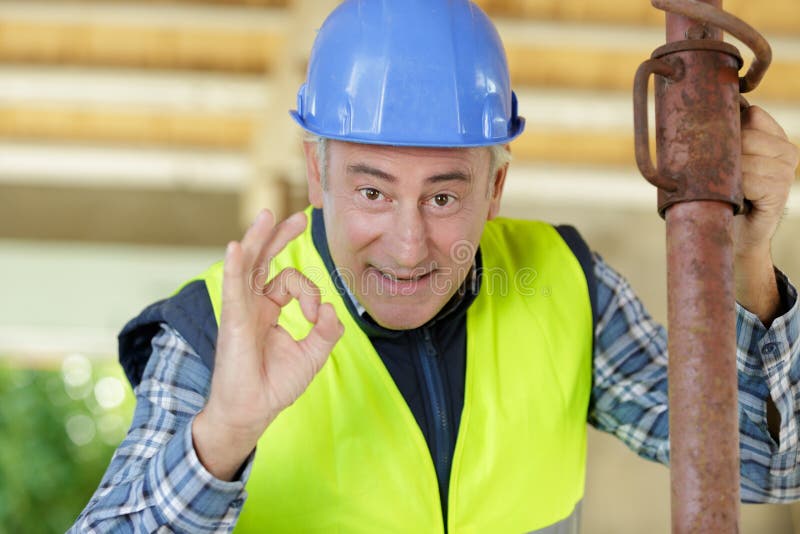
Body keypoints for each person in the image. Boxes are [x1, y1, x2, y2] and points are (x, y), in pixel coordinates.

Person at [71, 1, 800, 532]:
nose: (409, 246)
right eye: (372, 192)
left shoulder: (567, 287)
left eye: (444, 196)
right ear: (317, 174)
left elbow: (771, 467)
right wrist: (224, 434)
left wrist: (746, 259)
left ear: (495, 187)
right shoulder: (213, 330)